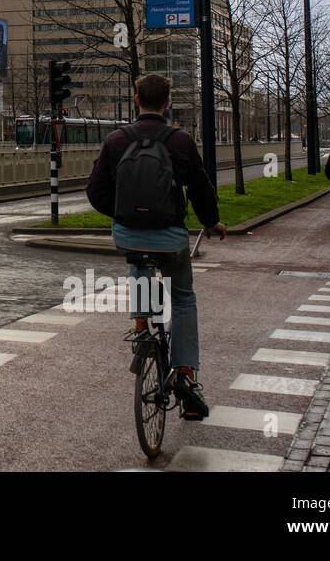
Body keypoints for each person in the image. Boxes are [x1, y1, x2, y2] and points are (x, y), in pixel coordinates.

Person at [87, 73, 226, 420]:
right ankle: (185, 376)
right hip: (170, 236)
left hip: (128, 234)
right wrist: (211, 222)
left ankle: (142, 327)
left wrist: (121, 213)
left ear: (136, 99)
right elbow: (200, 189)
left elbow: (95, 191)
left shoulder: (117, 140)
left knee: (138, 263)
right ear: (167, 103)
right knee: (183, 298)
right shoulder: (180, 141)